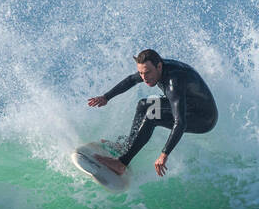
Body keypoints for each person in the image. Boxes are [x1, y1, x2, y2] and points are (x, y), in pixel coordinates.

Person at [87, 49, 218, 176]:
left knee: (152, 116)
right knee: (144, 104)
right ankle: (127, 147)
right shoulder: (152, 68)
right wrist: (106, 97)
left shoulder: (173, 83)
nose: (144, 78)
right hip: (188, 103)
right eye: (141, 73)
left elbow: (180, 122)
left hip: (203, 118)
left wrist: (164, 155)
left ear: (159, 66)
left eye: (147, 73)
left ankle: (122, 163)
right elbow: (131, 80)